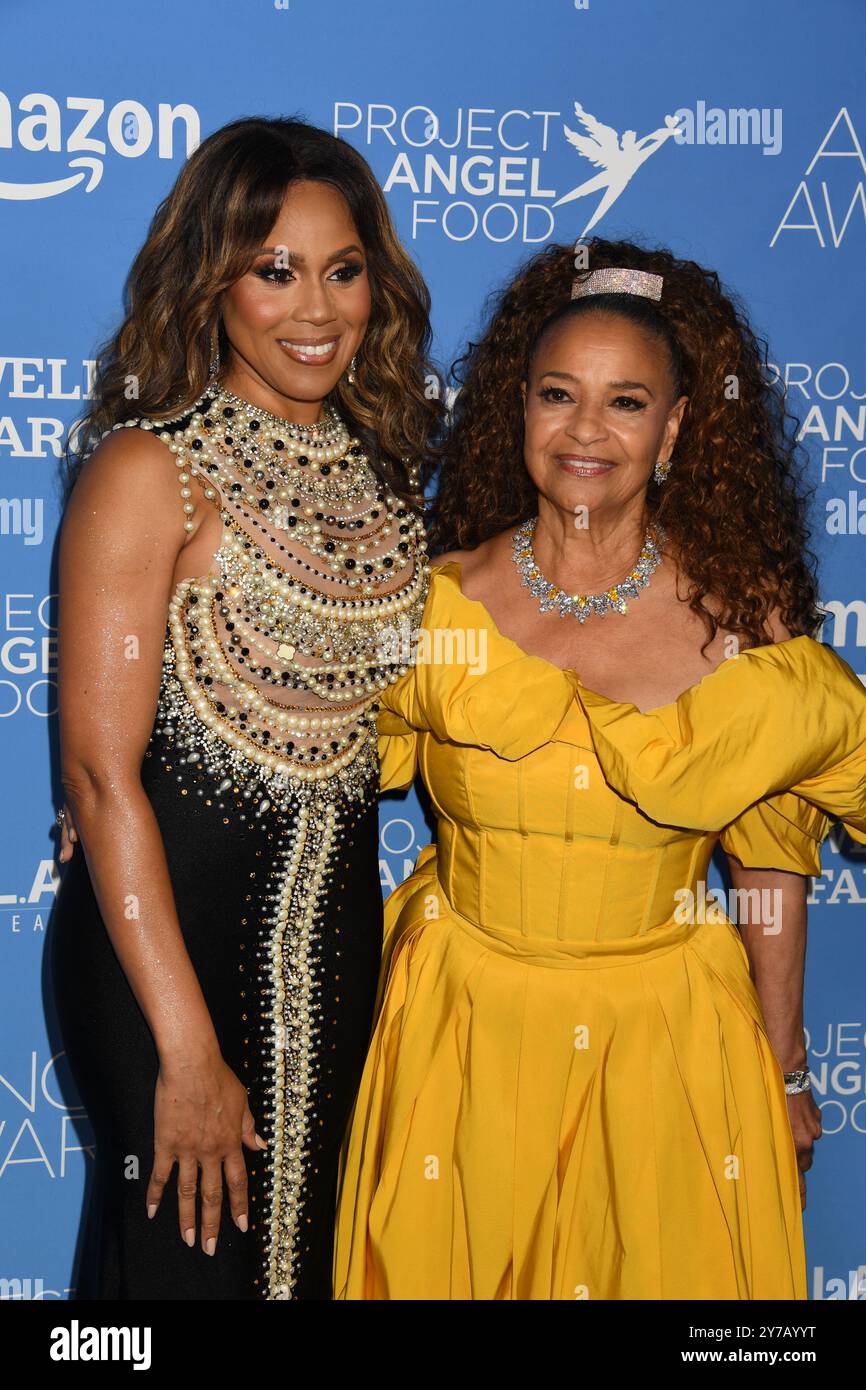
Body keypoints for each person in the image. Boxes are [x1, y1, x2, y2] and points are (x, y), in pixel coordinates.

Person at [332, 241, 866, 1300]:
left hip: (671, 1039)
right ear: (518, 409)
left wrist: (782, 1062)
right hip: (459, 1030)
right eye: (557, 394)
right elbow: (307, 761)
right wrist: (115, 783)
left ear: (674, 428)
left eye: (626, 402)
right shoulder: (433, 600)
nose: (586, 430)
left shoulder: (742, 622)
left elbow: (767, 858)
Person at [49, 115, 440, 1300]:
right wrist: (183, 1047)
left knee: (298, 1268)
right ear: (211, 282)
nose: (314, 309)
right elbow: (100, 778)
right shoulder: (147, 471)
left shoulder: (384, 472)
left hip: (334, 938)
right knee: (182, 1270)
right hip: (160, 951)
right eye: (274, 271)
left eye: (342, 270)